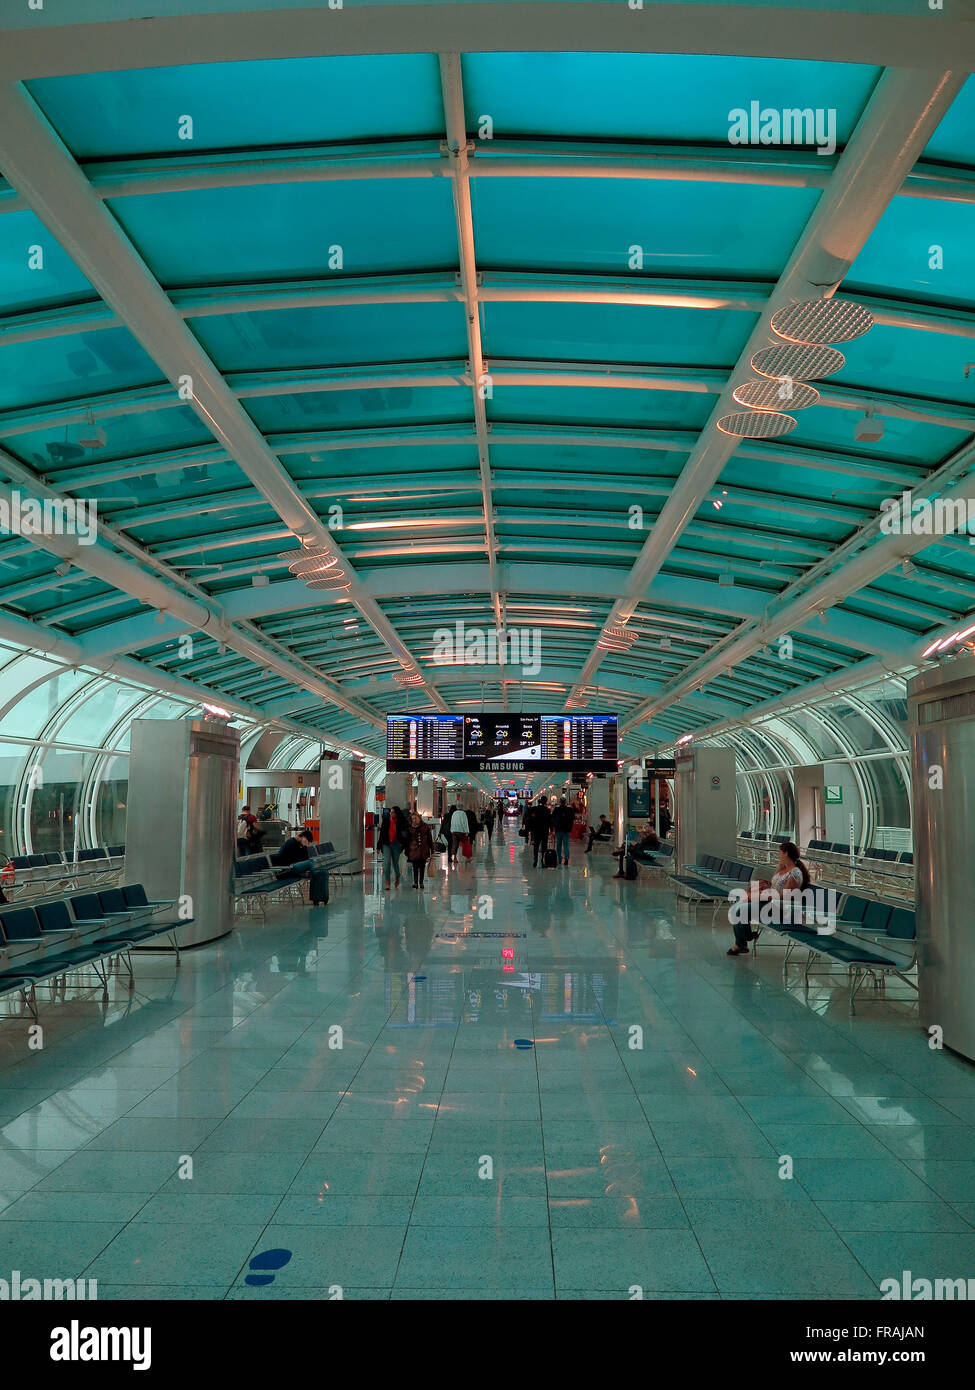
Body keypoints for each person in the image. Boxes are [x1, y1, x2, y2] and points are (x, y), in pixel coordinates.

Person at [728, 839, 811, 956]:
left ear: (786, 853)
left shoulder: (795, 873)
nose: (778, 856)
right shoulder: (783, 869)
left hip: (779, 908)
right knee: (738, 907)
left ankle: (744, 939)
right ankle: (741, 942)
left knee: (742, 910)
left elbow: (785, 897)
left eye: (780, 853)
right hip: (770, 903)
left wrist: (766, 895)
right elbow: (774, 886)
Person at [378, 804, 407, 888]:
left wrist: (404, 845)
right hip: (386, 844)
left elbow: (405, 835)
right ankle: (387, 881)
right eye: (391, 812)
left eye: (393, 812)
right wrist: (379, 846)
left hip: (397, 844)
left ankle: (397, 875)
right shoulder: (386, 821)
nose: (391, 814)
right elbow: (382, 834)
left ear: (397, 813)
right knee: (387, 863)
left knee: (395, 863)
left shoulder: (401, 822)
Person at [405, 811, 434, 889]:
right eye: (413, 819)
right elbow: (407, 840)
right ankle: (415, 882)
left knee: (422, 866)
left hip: (423, 849)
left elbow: (429, 839)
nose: (414, 820)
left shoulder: (425, 827)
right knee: (415, 866)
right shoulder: (410, 828)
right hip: (413, 850)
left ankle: (421, 882)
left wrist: (432, 850)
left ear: (419, 818)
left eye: (415, 818)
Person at [527, 794, 552, 868]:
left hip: (536, 830)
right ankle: (543, 861)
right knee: (544, 847)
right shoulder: (547, 810)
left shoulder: (535, 809)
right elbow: (550, 821)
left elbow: (529, 816)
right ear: (546, 801)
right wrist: (551, 829)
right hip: (544, 831)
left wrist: (530, 827)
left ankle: (535, 860)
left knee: (536, 846)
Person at [552, 797, 574, 865]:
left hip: (558, 830)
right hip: (566, 830)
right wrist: (570, 829)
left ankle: (559, 859)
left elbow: (553, 818)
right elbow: (571, 820)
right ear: (565, 802)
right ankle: (566, 858)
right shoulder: (570, 810)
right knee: (566, 845)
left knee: (558, 845)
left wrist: (553, 828)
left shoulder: (556, 809)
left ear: (560, 802)